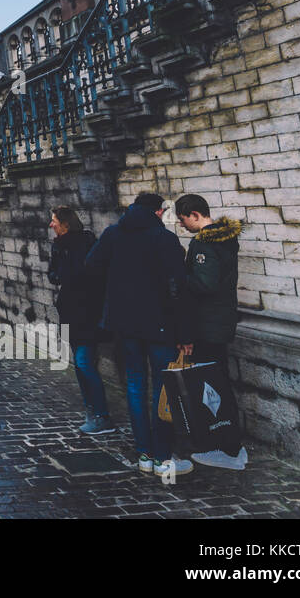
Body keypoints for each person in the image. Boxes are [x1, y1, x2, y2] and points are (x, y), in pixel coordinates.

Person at [85, 192, 191, 478]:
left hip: (125, 324)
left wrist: (118, 284)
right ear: (158, 212)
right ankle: (162, 456)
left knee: (134, 385)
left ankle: (144, 454)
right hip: (159, 325)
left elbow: (91, 267)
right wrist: (184, 332)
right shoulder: (164, 239)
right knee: (162, 388)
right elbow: (178, 288)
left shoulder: (112, 234)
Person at [174, 194, 247, 471]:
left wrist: (180, 276)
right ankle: (227, 444)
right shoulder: (225, 238)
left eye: (182, 220)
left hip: (208, 325)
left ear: (194, 214)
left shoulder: (204, 242)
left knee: (213, 386)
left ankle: (227, 448)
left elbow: (205, 284)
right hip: (220, 322)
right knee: (217, 383)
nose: (182, 226)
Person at [48, 206, 112, 435]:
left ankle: (101, 415)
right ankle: (92, 409)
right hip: (70, 313)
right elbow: (53, 275)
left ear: (65, 223)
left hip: (86, 313)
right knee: (79, 363)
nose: (51, 224)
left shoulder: (86, 243)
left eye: (54, 220)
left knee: (85, 362)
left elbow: (91, 278)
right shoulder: (58, 246)